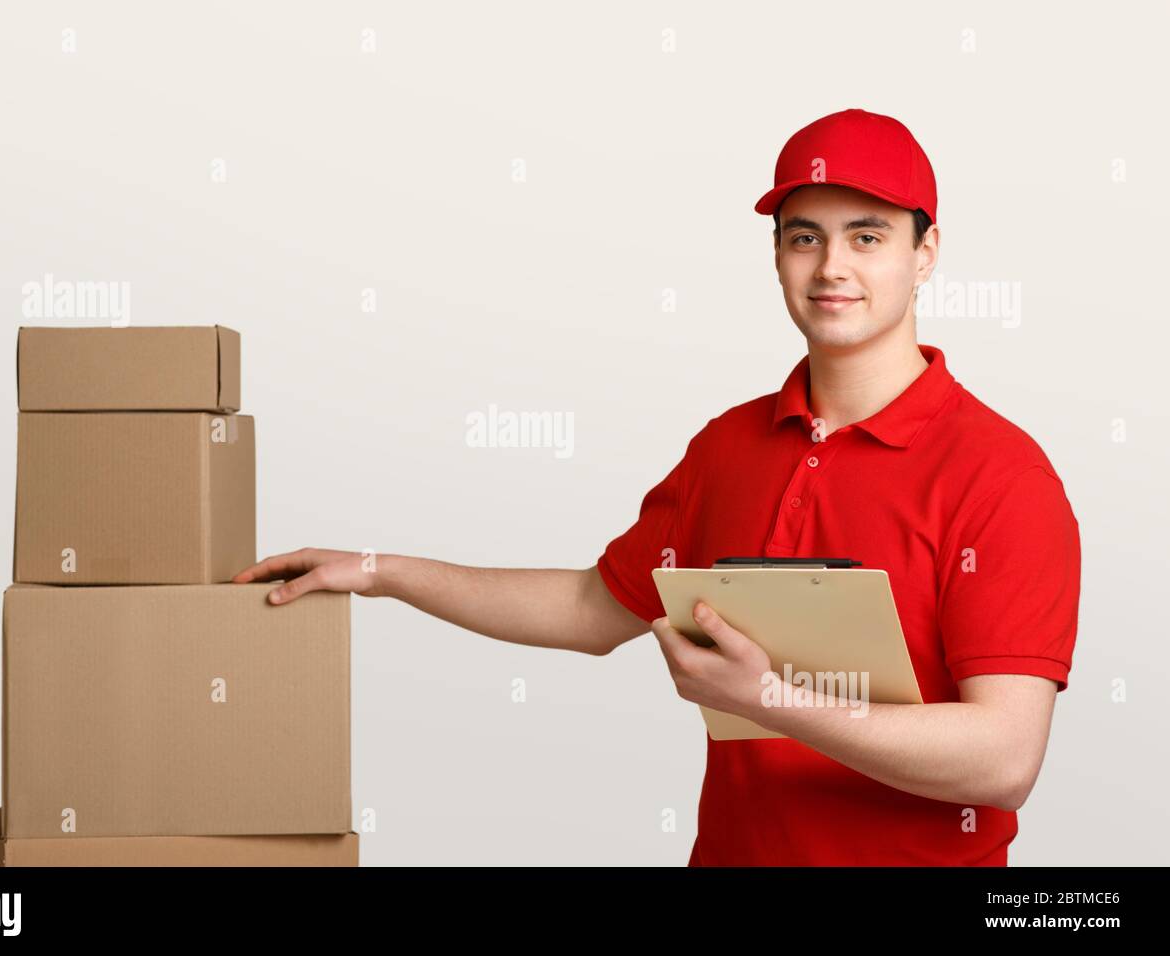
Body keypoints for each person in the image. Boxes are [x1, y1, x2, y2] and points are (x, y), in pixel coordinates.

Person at [234, 108, 1081, 866]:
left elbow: (1004, 760)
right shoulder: (729, 448)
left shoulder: (1000, 476)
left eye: (867, 236)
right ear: (777, 256)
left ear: (924, 255)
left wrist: (772, 701)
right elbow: (590, 609)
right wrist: (381, 572)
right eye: (803, 236)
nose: (831, 267)